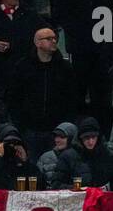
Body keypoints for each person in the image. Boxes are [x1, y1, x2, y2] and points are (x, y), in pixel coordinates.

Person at [5, 26, 76, 157]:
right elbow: (13, 98)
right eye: (49, 38)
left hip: (56, 131)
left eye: (55, 38)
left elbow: (72, 99)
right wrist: (21, 125)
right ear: (37, 42)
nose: (54, 41)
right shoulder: (23, 66)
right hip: (30, 130)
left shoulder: (64, 68)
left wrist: (65, 125)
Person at [53, 116, 113, 188]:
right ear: (80, 138)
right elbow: (56, 185)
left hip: (103, 198)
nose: (90, 142)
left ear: (98, 137)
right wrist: (77, 189)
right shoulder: (67, 157)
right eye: (86, 138)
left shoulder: (109, 156)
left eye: (93, 137)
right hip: (77, 198)